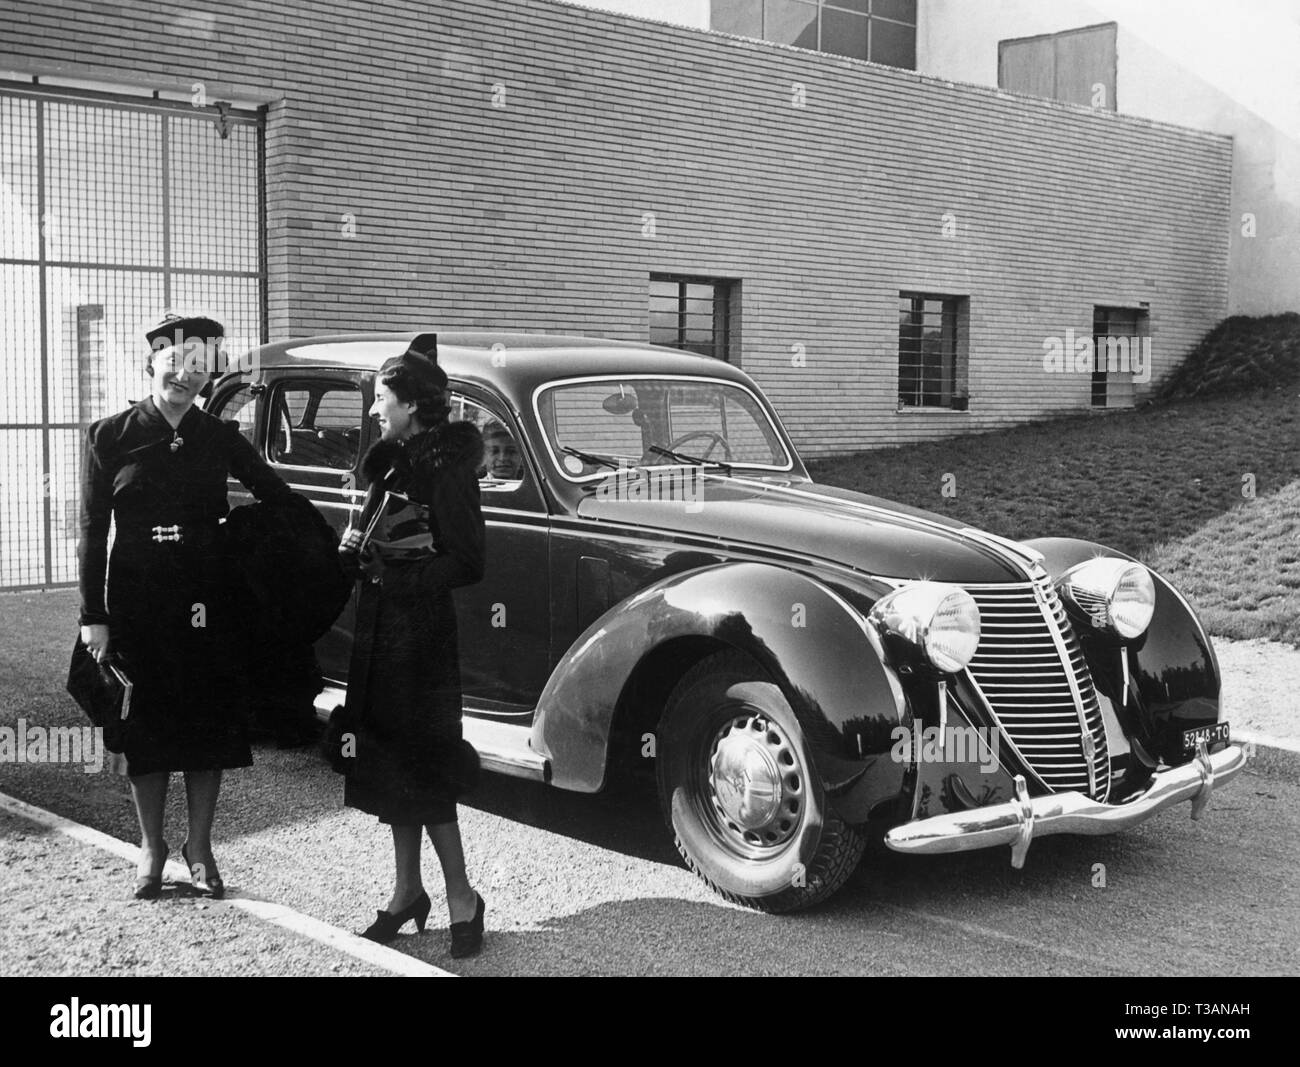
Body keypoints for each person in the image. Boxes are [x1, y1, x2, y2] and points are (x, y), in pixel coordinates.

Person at [78, 312, 292, 900]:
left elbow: (276, 497)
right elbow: (93, 531)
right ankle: (153, 846)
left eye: (199, 366)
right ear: (151, 364)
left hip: (206, 599)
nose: (186, 375)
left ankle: (200, 847)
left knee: (206, 723)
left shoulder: (219, 438)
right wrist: (92, 615)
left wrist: (240, 545)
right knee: (143, 725)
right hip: (137, 601)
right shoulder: (109, 434)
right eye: (175, 362)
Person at [338, 333, 488, 957]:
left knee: (425, 768)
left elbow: (469, 561)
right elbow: (381, 541)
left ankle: (462, 896)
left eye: (382, 398)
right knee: (389, 763)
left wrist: (398, 574)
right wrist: (359, 551)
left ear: (413, 405)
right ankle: (406, 893)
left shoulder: (447, 470)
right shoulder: (393, 461)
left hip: (421, 636)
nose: (374, 409)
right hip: (382, 631)